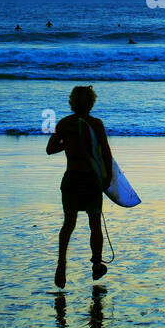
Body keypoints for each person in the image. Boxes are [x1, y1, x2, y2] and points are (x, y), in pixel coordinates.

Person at [46, 85, 113, 288]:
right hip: (91, 180)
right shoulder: (96, 124)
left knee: (69, 224)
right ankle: (96, 265)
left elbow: (50, 149)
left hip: (71, 180)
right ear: (91, 102)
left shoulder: (65, 124)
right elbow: (106, 153)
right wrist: (108, 178)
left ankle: (61, 264)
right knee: (94, 223)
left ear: (72, 102)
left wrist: (69, 142)